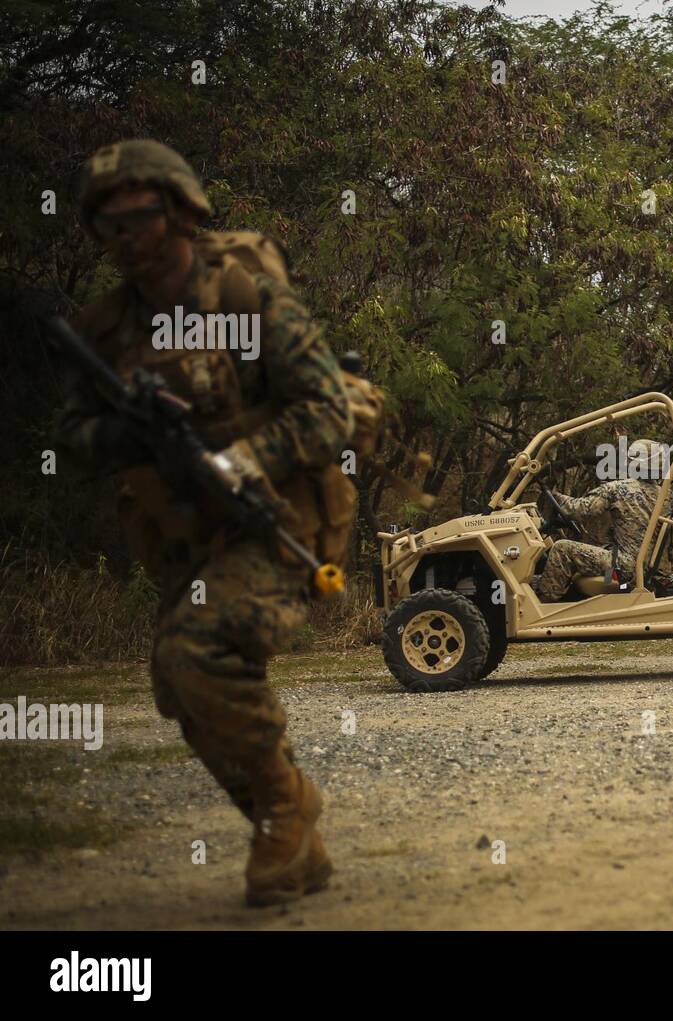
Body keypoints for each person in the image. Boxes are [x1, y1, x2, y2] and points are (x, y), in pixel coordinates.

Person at [55, 139, 353, 906]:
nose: (125, 237)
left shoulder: (243, 295)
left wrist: (248, 455)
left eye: (140, 218)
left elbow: (328, 411)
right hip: (186, 535)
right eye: (108, 225)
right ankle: (289, 830)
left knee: (196, 649)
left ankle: (285, 805)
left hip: (277, 517)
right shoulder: (106, 329)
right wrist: (128, 433)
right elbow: (71, 439)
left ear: (180, 211)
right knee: (180, 685)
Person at [534, 439, 673, 600]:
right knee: (586, 546)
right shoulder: (667, 495)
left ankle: (545, 601)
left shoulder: (618, 489)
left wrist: (553, 494)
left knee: (562, 547)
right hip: (638, 570)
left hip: (620, 567)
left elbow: (579, 510)